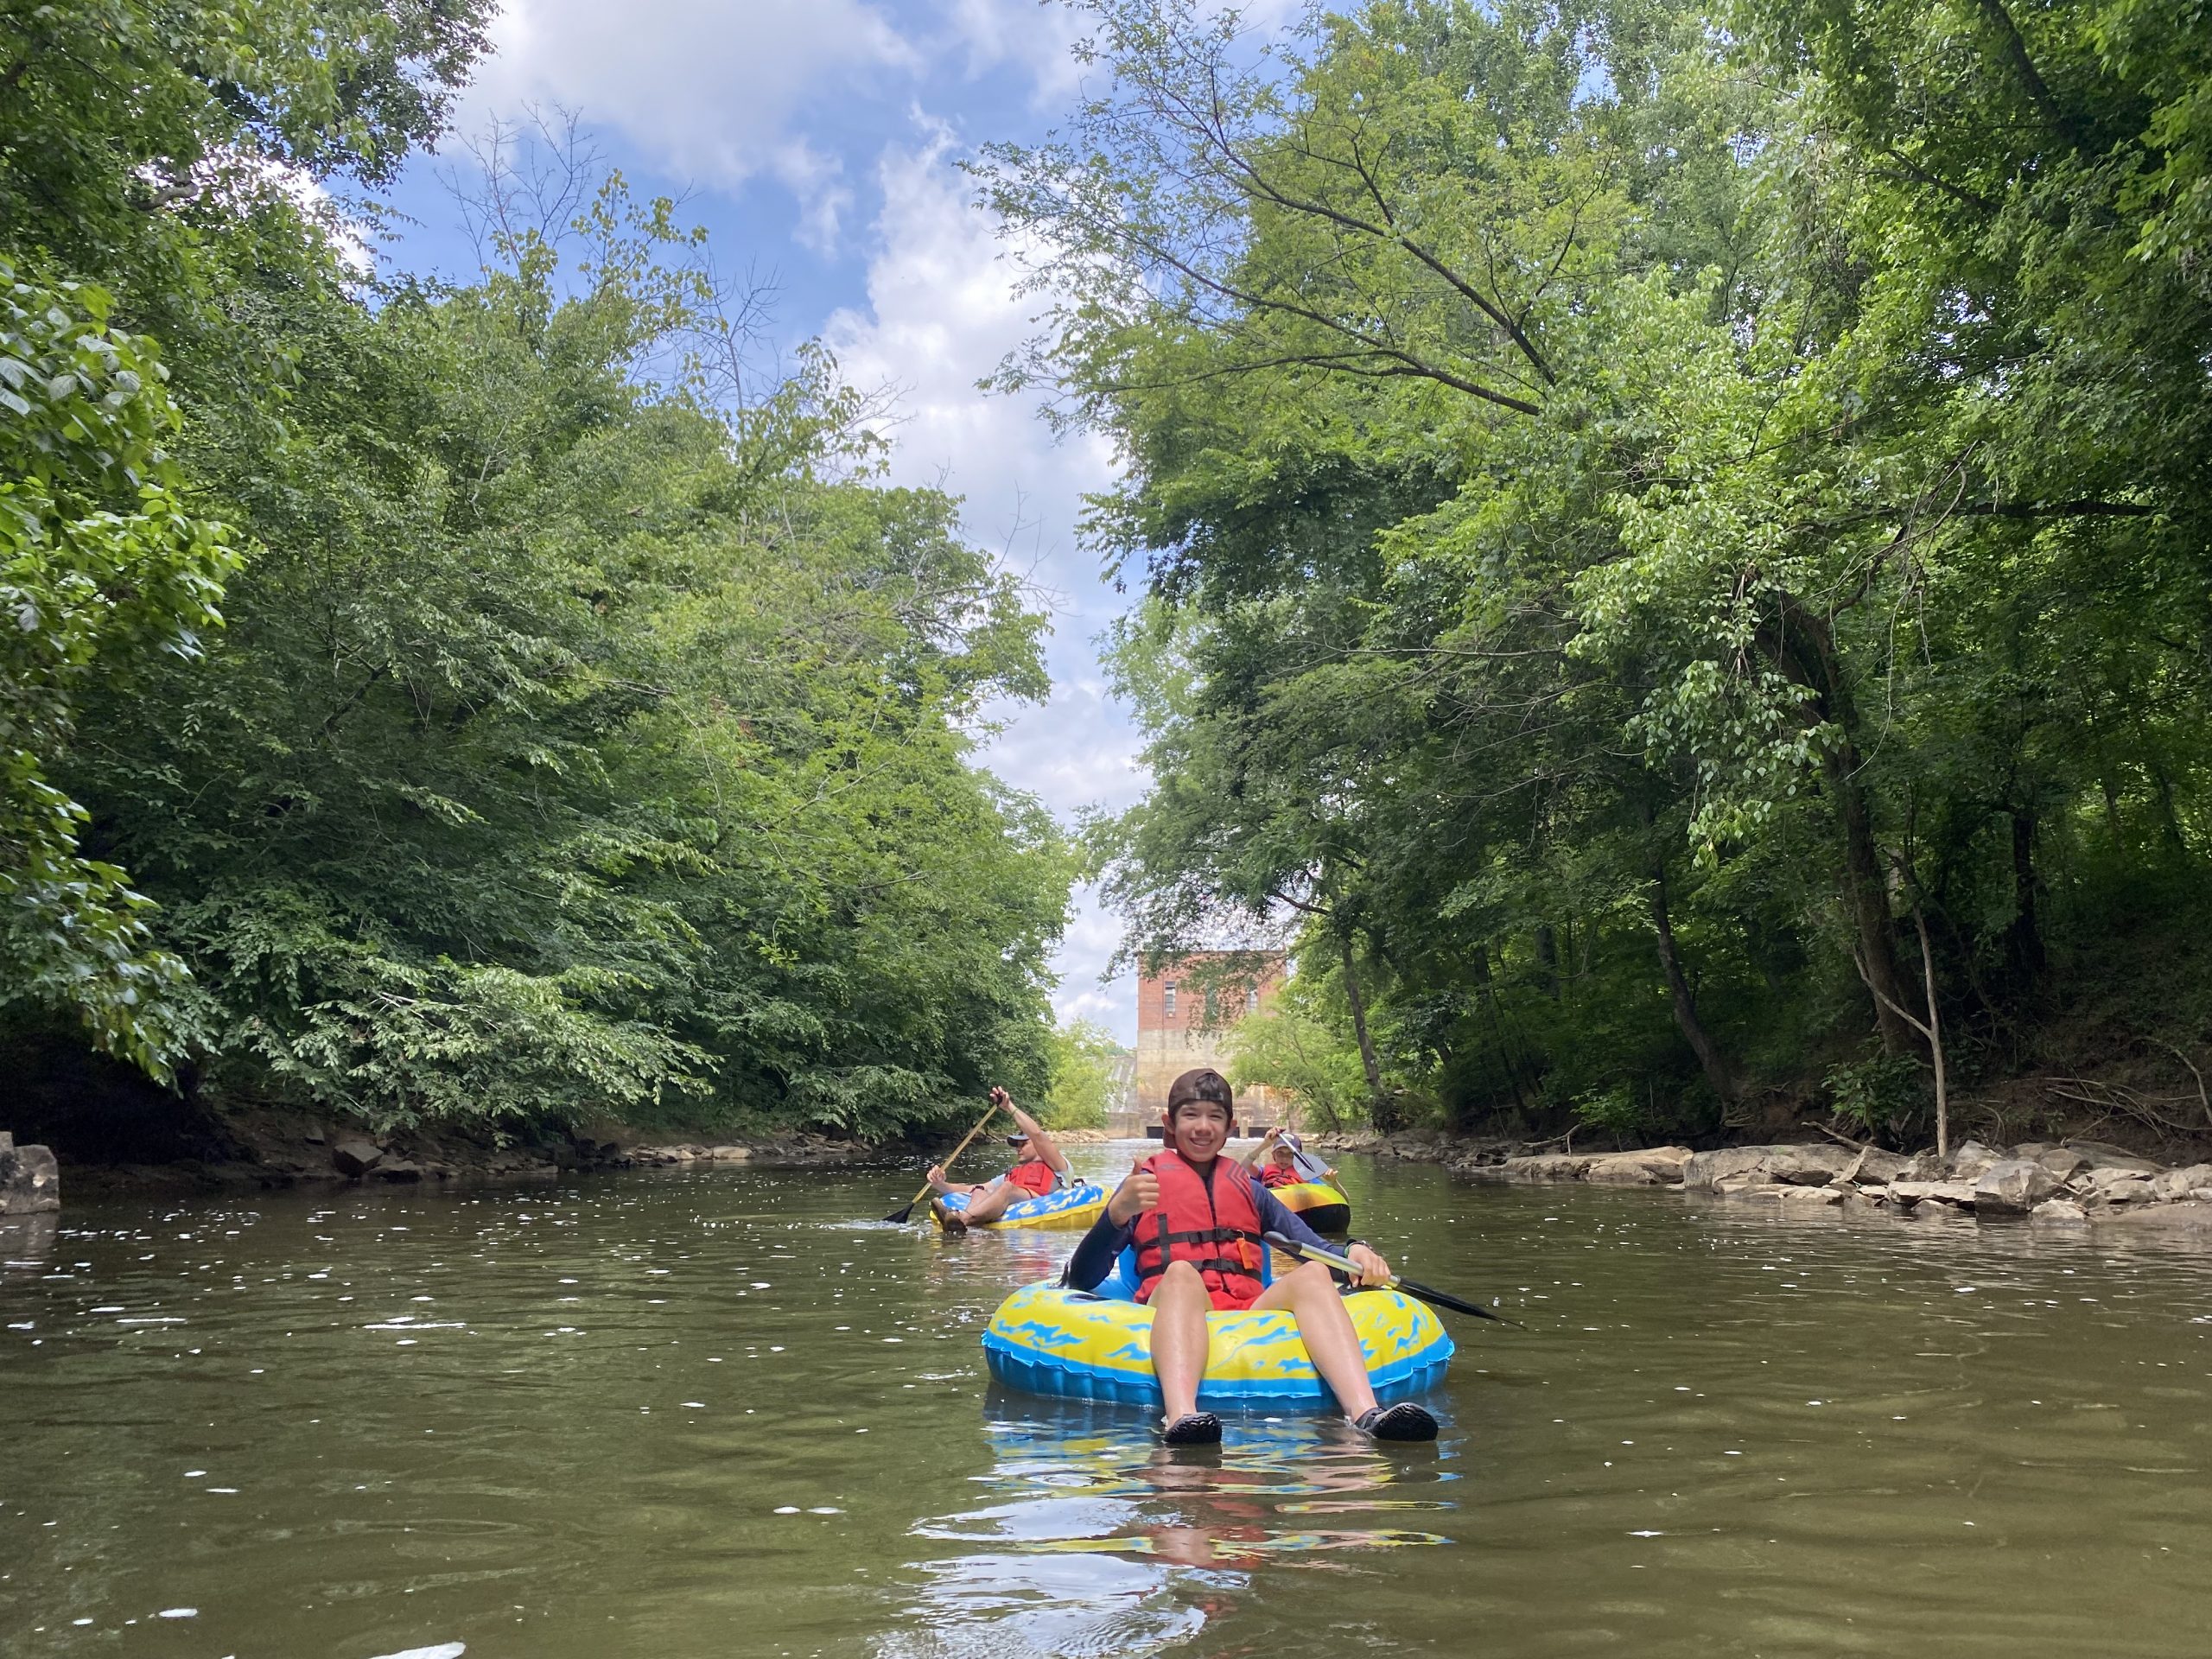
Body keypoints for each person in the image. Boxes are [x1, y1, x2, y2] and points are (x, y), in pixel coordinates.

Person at [1063, 1067, 1438, 1446]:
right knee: (1179, 1272)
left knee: (1313, 1277)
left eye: (1215, 1117)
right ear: (1170, 1123)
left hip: (1247, 1307)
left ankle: (1365, 1414)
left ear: (1231, 1126)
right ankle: (1180, 1417)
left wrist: (1356, 1250)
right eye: (1190, 1115)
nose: (1203, 1127)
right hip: (1176, 1300)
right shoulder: (1142, 1185)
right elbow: (1082, 1278)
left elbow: (1315, 1249)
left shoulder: (1250, 1190)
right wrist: (1117, 1215)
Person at [928, 1086, 1071, 1233]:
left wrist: (1008, 1106)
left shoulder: (1057, 1165)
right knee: (979, 1190)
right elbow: (971, 1189)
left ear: (1036, 1144)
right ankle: (963, 1225)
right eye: (1016, 1145)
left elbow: (1036, 1133)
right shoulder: (1014, 1173)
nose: (1018, 1148)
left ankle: (963, 1219)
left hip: (1039, 1201)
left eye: (1023, 1143)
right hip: (1013, 1197)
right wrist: (941, 1184)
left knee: (1006, 1187)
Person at [1240, 1127, 1335, 1192]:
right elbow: (1244, 1165)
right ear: (1274, 1155)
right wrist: (1265, 1144)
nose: (1284, 1158)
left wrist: (1334, 1182)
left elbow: (1343, 1201)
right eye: (1280, 1153)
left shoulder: (1308, 1176)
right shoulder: (1262, 1173)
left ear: (1298, 1158)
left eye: (1290, 1154)